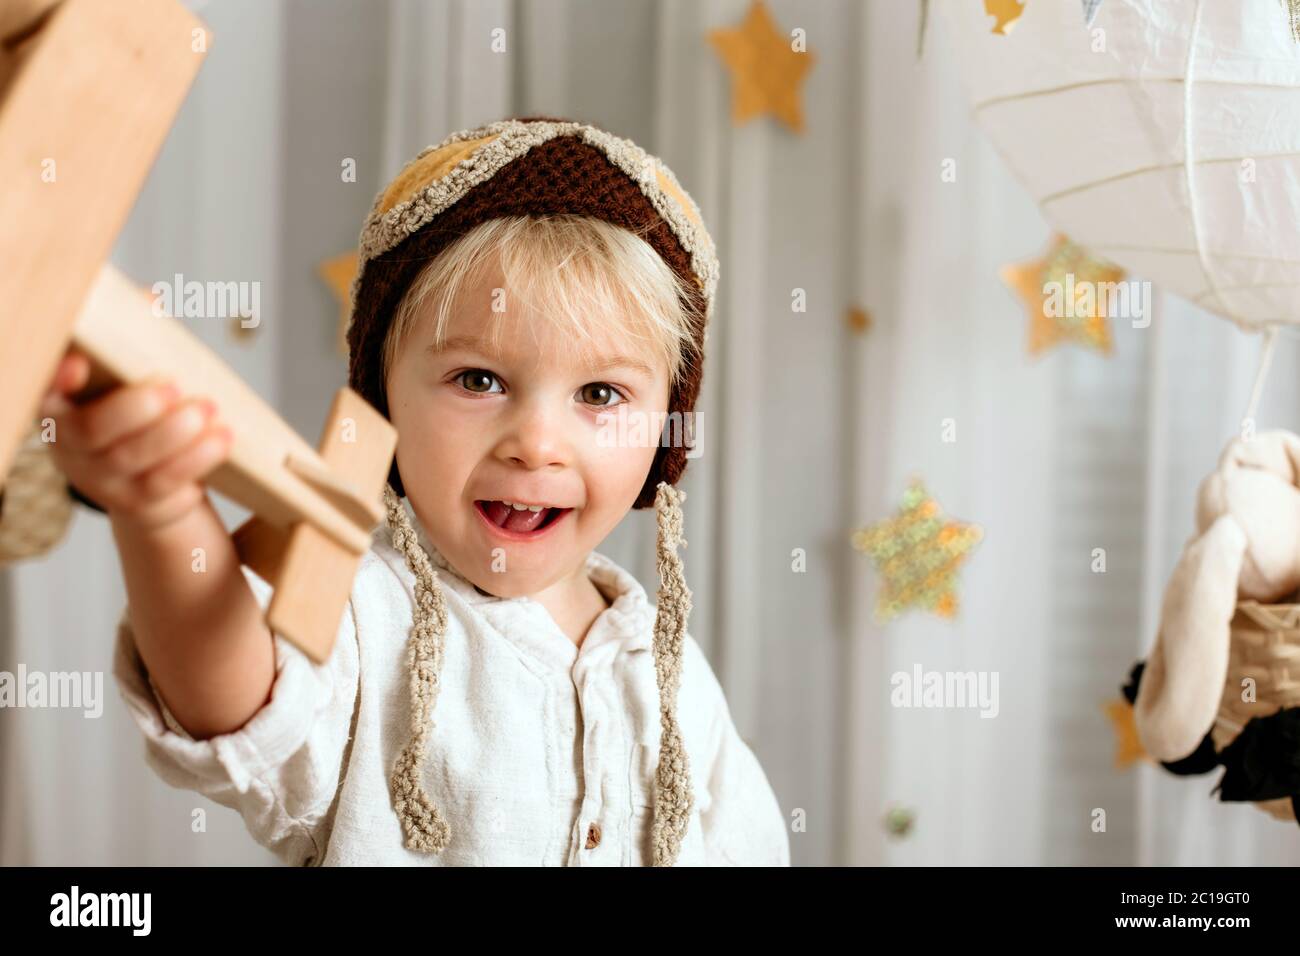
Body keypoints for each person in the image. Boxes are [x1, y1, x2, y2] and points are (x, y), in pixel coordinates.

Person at [42, 117, 789, 866]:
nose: (535, 442)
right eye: (478, 379)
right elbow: (230, 701)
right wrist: (162, 510)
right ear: (384, 402)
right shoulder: (364, 618)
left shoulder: (673, 677)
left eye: (599, 392)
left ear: (665, 429)